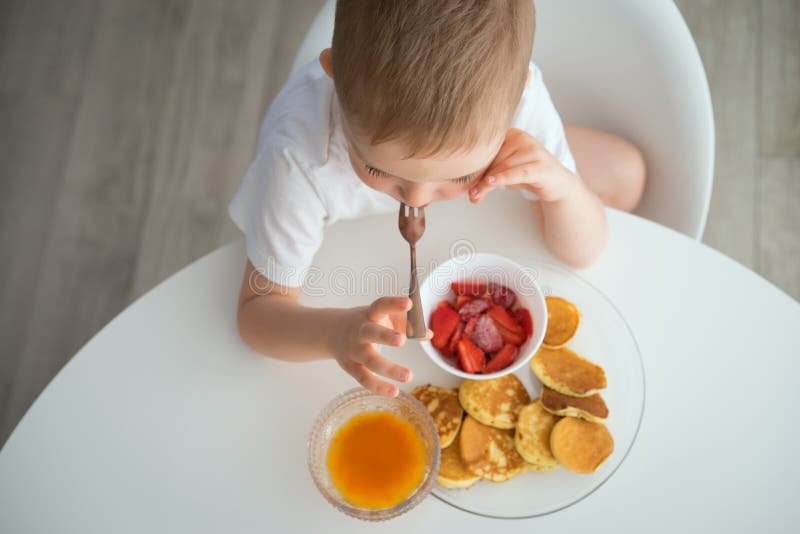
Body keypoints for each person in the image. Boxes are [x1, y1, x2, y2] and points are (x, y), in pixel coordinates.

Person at [230, 0, 646, 397]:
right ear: (333, 73)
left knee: (626, 173)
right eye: (377, 169)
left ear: (518, 98)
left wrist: (562, 191)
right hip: (350, 243)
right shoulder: (300, 157)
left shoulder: (523, 112)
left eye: (461, 175)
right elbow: (257, 314)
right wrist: (334, 333)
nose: (418, 198)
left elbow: (583, 253)